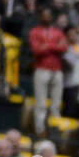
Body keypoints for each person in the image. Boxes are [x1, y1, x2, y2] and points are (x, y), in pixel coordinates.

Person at [29, 7, 68, 137]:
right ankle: (40, 131)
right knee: (40, 103)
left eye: (48, 15)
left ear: (51, 17)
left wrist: (47, 45)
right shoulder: (34, 31)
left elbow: (64, 48)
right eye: (44, 15)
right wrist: (54, 46)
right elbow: (36, 50)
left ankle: (54, 130)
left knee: (56, 104)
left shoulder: (58, 32)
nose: (46, 17)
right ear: (40, 17)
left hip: (57, 69)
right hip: (41, 69)